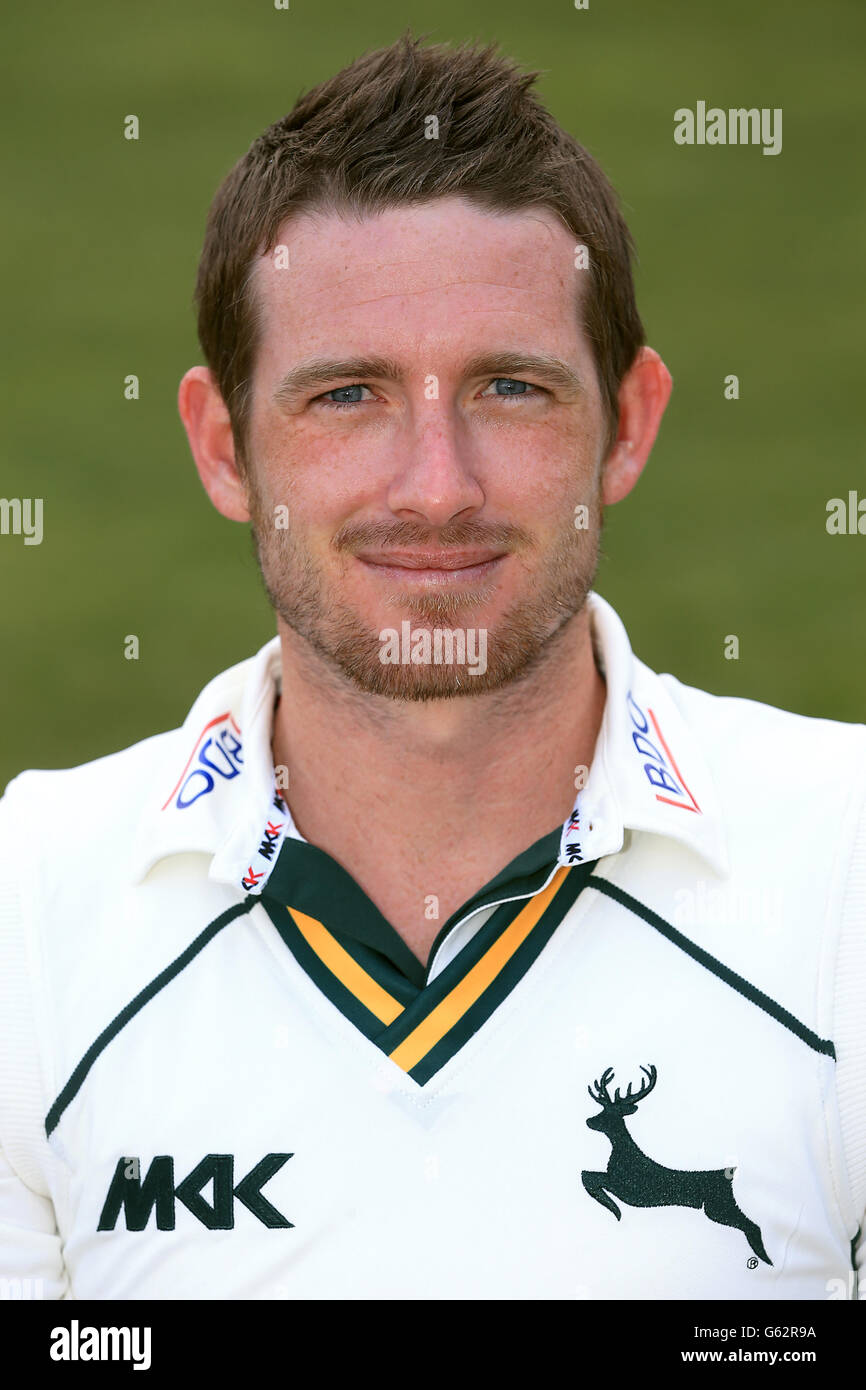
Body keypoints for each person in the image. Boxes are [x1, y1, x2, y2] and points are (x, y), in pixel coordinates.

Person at [1, 32, 863, 1301]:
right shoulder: (27, 915)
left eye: (508, 388)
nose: (436, 487)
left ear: (625, 425)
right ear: (225, 448)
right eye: (346, 395)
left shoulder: (846, 866)